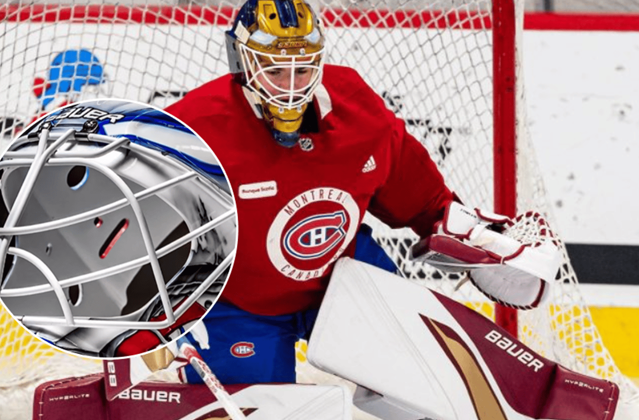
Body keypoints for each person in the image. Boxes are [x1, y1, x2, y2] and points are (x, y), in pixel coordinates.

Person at [166, 0, 456, 385]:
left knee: (428, 378)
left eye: (302, 70)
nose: (289, 86)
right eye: (274, 70)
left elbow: (421, 199)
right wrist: (161, 314)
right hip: (238, 303)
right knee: (255, 414)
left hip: (343, 276)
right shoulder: (192, 130)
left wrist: (464, 230)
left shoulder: (357, 106)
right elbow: (143, 232)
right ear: (242, 63)